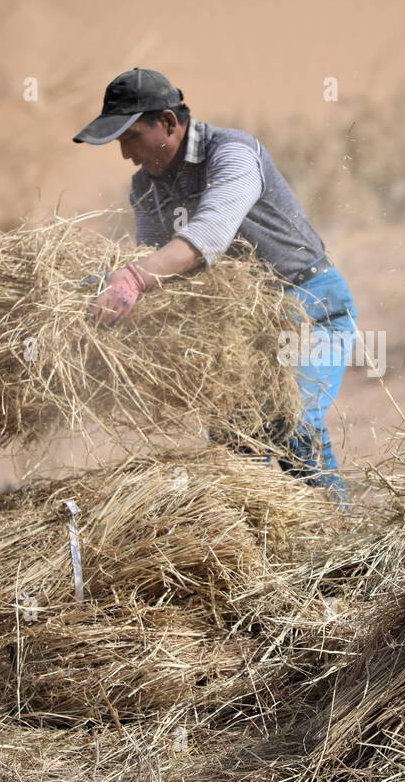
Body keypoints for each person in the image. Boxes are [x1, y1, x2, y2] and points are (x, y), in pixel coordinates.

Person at [73, 67, 355, 502]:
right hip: (238, 329)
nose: (126, 154)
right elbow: (156, 254)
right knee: (235, 449)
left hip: (310, 305)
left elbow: (209, 236)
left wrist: (133, 277)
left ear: (167, 122)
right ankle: (273, 555)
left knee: (293, 421)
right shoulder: (145, 186)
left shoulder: (233, 154)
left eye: (130, 138)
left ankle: (340, 534)